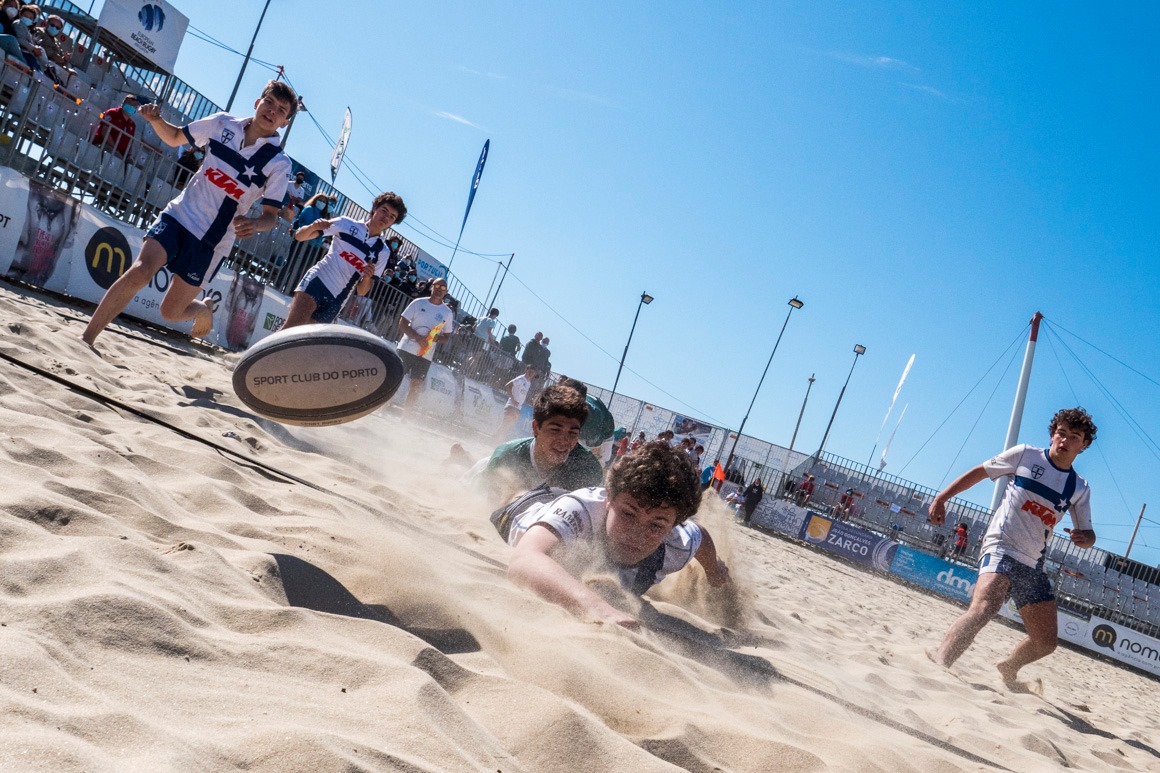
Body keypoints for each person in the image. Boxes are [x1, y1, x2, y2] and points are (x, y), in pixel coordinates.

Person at [82, 80, 297, 346]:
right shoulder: (222, 123)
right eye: (269, 103)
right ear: (257, 103)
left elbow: (270, 216)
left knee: (170, 312)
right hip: (179, 215)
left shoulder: (278, 162)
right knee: (140, 271)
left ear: (285, 122)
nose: (272, 111)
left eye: (281, 110)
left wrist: (255, 224)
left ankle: (202, 309)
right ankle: (86, 339)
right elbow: (173, 137)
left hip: (212, 239)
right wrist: (155, 120)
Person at [929, 407, 1098, 687]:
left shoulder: (1078, 488)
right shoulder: (1026, 455)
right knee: (984, 607)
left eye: (1074, 437)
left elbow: (1088, 534)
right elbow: (981, 472)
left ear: (1084, 445)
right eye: (1061, 433)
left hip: (1033, 563)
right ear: (1053, 434)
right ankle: (940, 664)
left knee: (1046, 642)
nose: (1064, 440)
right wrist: (942, 497)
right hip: (1002, 546)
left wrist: (1086, 539)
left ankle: (1009, 667)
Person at [493, 440, 730, 628]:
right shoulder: (582, 510)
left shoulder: (678, 542)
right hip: (527, 507)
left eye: (656, 526)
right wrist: (597, 608)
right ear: (609, 499)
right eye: (628, 514)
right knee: (517, 495)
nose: (637, 533)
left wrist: (714, 570)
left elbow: (701, 537)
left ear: (673, 526)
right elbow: (524, 560)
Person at [282, 191, 406, 327]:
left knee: (306, 342)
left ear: (393, 222)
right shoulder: (345, 223)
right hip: (318, 280)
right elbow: (299, 237)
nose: (386, 217)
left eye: (392, 216)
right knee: (291, 328)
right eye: (384, 210)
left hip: (338, 299)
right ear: (375, 208)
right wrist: (313, 226)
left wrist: (366, 278)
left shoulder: (383, 251)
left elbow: (362, 291)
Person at [476, 383, 603, 505]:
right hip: (479, 472)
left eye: (572, 433)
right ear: (536, 428)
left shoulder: (588, 470)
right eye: (555, 430)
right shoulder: (506, 457)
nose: (564, 440)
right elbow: (483, 506)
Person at [396, 276, 454, 410]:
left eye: (443, 288)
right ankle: (382, 407)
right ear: (431, 287)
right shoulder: (418, 303)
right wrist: (417, 337)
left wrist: (435, 339)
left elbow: (446, 336)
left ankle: (406, 418)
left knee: (416, 386)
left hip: (425, 355)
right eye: (437, 286)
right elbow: (402, 323)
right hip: (406, 348)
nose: (439, 290)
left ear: (446, 292)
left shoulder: (447, 312)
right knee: (395, 379)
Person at [498, 364, 537, 439]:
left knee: (509, 426)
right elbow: (508, 385)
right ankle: (495, 438)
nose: (531, 374)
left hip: (518, 407)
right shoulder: (521, 379)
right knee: (505, 424)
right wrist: (512, 399)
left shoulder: (528, 382)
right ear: (526, 371)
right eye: (530, 371)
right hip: (511, 405)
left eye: (533, 373)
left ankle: (499, 439)